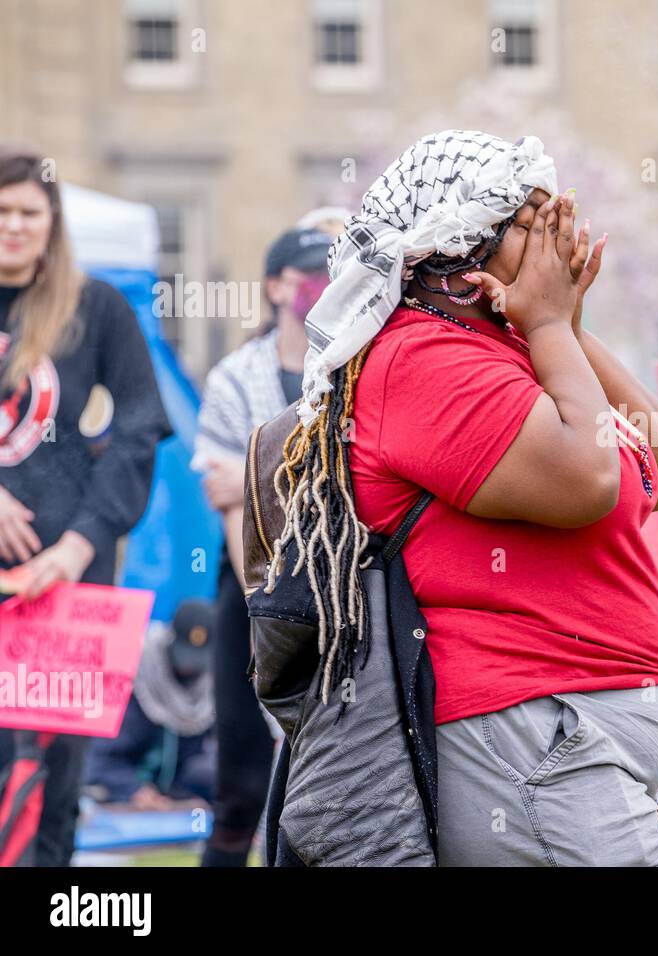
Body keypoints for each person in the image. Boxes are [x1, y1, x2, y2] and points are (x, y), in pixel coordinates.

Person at [274, 129, 658, 865]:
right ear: (463, 254)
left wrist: (566, 325)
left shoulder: (520, 345)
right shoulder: (416, 358)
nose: (561, 242)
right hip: (532, 734)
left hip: (577, 734)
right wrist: (549, 322)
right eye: (534, 226)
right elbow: (588, 480)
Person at [0, 147, 171, 865]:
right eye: (0, 212)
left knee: (53, 770)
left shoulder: (94, 306)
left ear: (53, 221)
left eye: (28, 212)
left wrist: (80, 542)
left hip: (69, 580)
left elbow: (141, 428)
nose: (12, 225)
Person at [192, 225, 333, 866]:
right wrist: (260, 594)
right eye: (309, 273)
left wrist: (254, 484)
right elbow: (224, 500)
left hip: (339, 590)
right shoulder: (234, 377)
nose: (321, 286)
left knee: (327, 772)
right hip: (248, 593)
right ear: (276, 286)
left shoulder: (350, 366)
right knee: (241, 777)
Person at [84, 599, 216, 808]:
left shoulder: (206, 694)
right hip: (127, 797)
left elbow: (197, 758)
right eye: (185, 659)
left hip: (174, 795)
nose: (189, 668)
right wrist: (133, 790)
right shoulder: (134, 684)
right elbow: (98, 760)